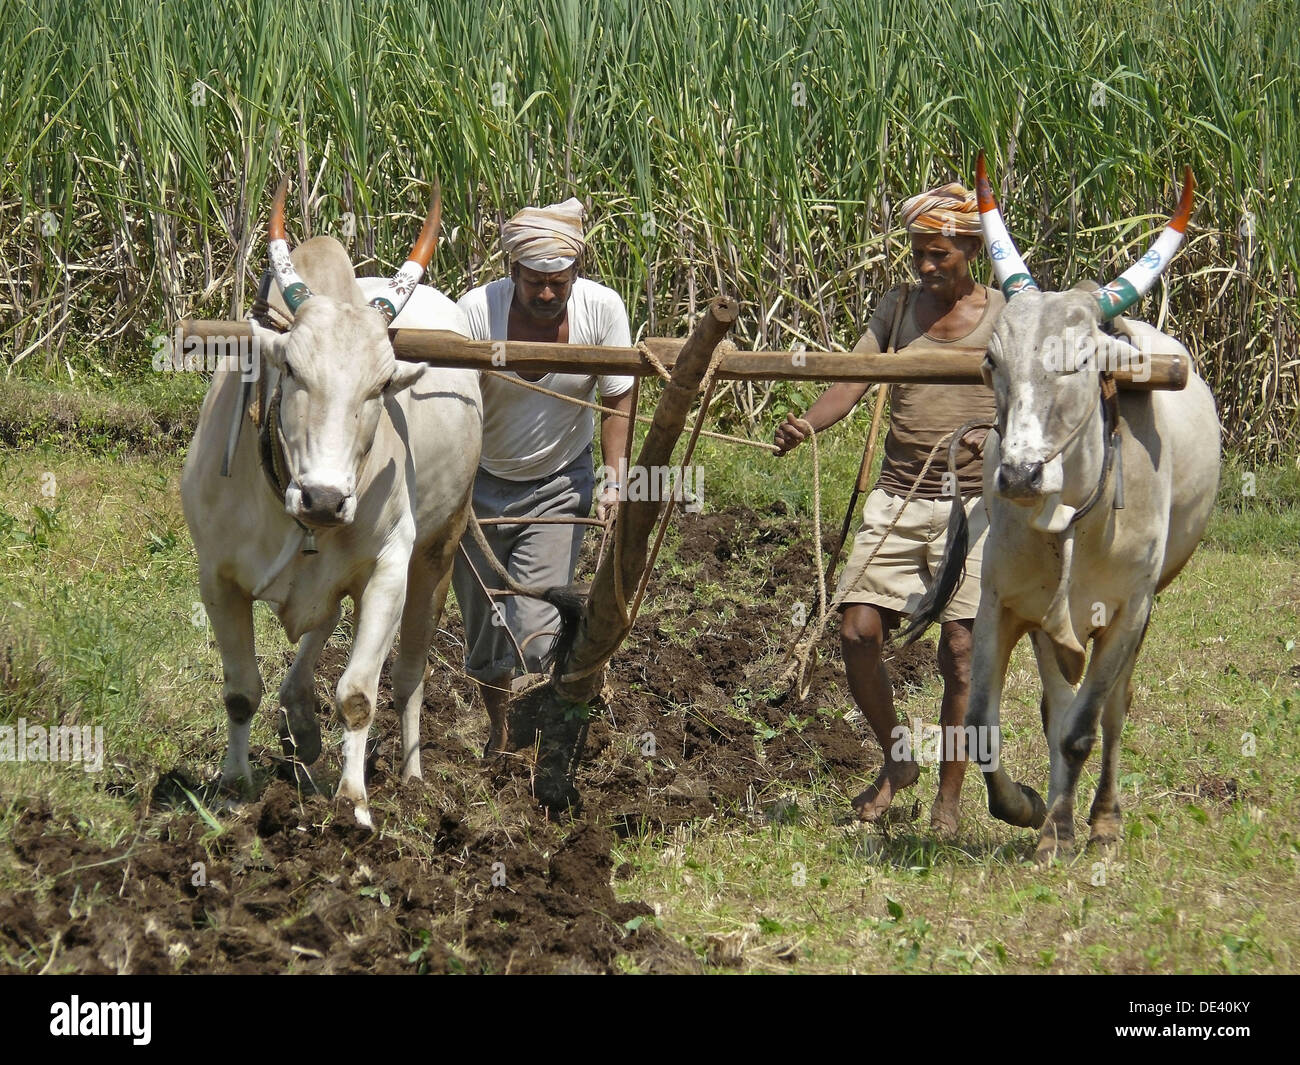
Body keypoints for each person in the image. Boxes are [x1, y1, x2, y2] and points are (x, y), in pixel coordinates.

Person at [773, 183, 1002, 836]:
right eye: (918, 254)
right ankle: (898, 757)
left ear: (970, 249)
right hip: (900, 498)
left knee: (961, 651)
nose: (926, 268)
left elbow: (1034, 401)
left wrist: (1002, 433)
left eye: (938, 255)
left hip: (977, 509)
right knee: (857, 632)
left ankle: (949, 799)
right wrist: (809, 426)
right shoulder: (896, 308)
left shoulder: (1007, 317)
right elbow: (853, 379)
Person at [452, 197, 635, 755]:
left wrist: (615, 479)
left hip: (558, 483)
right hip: (475, 484)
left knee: (534, 618)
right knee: (485, 625)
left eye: (560, 279)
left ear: (577, 272)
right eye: (536, 281)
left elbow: (619, 394)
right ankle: (499, 731)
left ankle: (536, 746)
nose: (550, 292)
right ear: (513, 272)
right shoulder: (476, 312)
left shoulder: (602, 311)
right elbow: (449, 405)